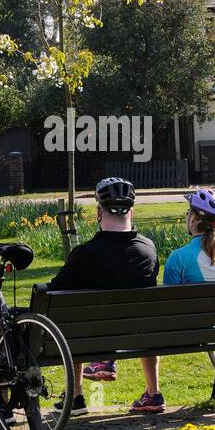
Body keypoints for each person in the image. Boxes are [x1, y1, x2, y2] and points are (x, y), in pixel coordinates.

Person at [47, 177, 158, 413]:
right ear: (132, 211)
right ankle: (153, 392)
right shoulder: (148, 250)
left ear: (99, 212)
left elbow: (54, 290)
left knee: (73, 318)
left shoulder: (85, 255)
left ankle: (75, 396)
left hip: (91, 338)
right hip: (139, 335)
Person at [131, 188, 215, 414]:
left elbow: (167, 306)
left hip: (183, 335)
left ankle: (153, 394)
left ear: (193, 218)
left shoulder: (178, 257)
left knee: (144, 328)